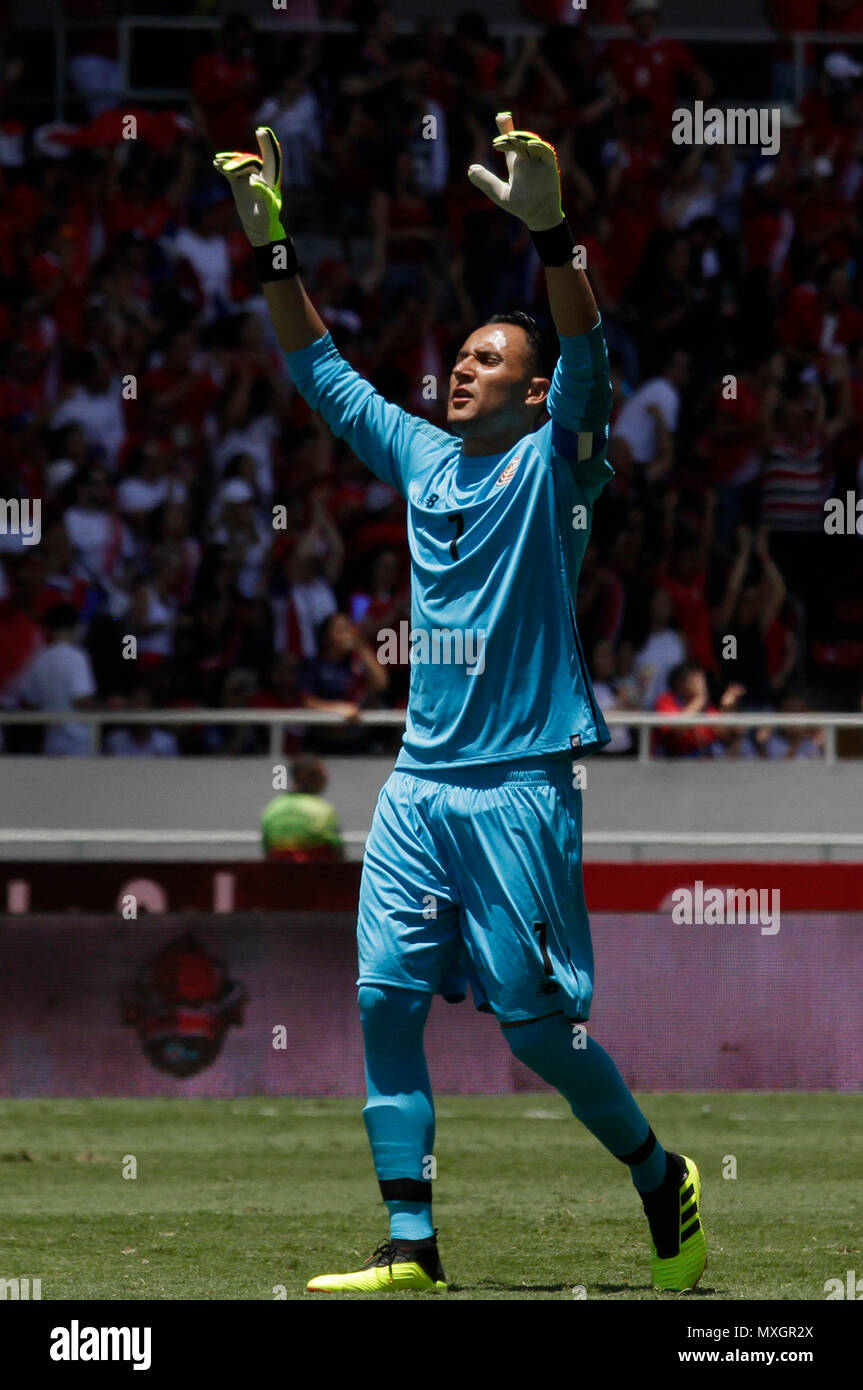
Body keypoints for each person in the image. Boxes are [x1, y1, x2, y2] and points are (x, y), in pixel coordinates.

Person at [215, 116, 707, 1295]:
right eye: (459, 356)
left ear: (532, 397)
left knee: (536, 1031)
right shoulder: (420, 458)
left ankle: (655, 1172)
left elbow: (586, 349)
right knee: (384, 1000)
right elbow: (322, 372)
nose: (458, 369)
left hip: (519, 788)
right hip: (418, 785)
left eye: (486, 361)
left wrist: (550, 230)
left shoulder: (556, 462)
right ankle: (411, 1246)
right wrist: (272, 249)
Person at [261, 754, 344, 861]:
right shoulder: (325, 811)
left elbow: (267, 853)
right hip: (317, 875)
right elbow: (338, 854)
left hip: (279, 876)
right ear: (307, 776)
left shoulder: (272, 810)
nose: (326, 778)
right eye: (322, 774)